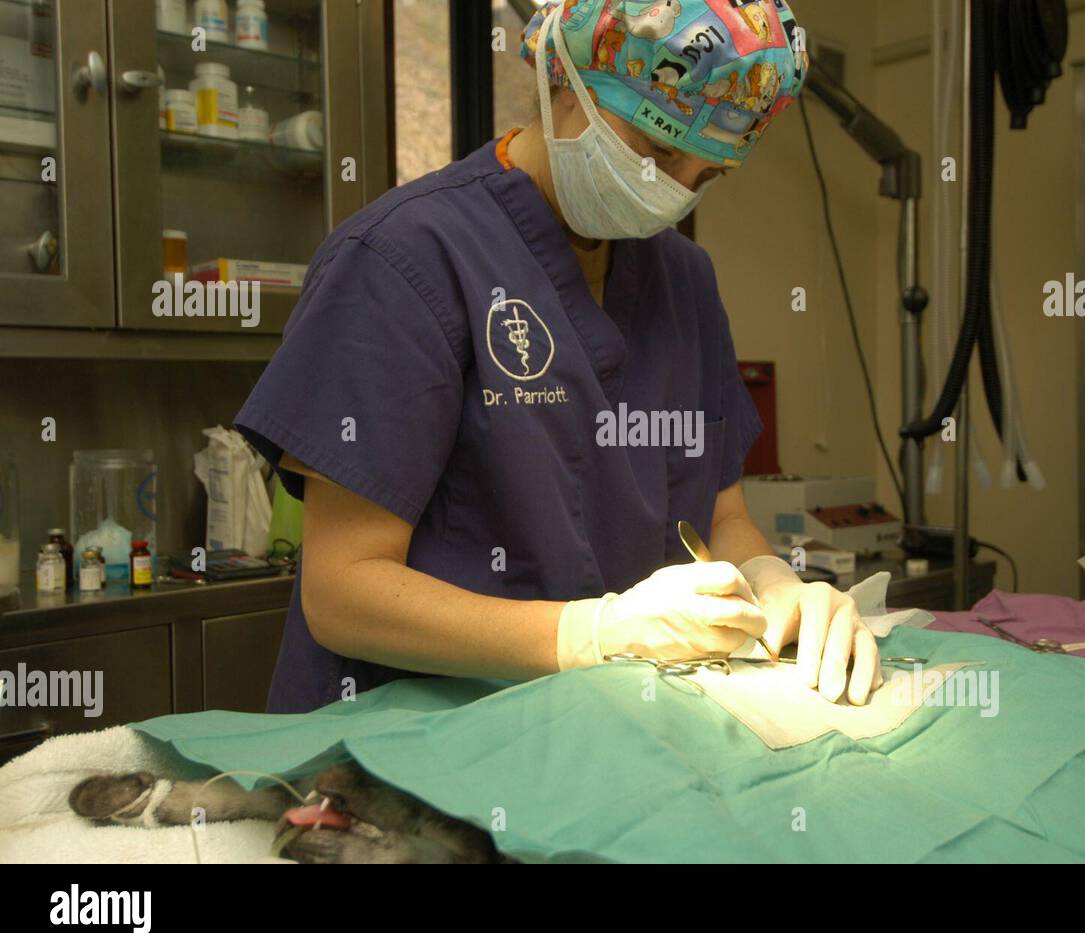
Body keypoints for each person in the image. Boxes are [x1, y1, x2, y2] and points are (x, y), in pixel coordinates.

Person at [234, 0, 883, 714]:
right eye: (659, 150)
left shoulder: (685, 282)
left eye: (705, 176)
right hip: (408, 740)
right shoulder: (401, 260)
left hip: (604, 732)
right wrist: (592, 633)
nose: (670, 193)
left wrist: (775, 585)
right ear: (569, 78)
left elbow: (719, 516)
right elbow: (344, 592)